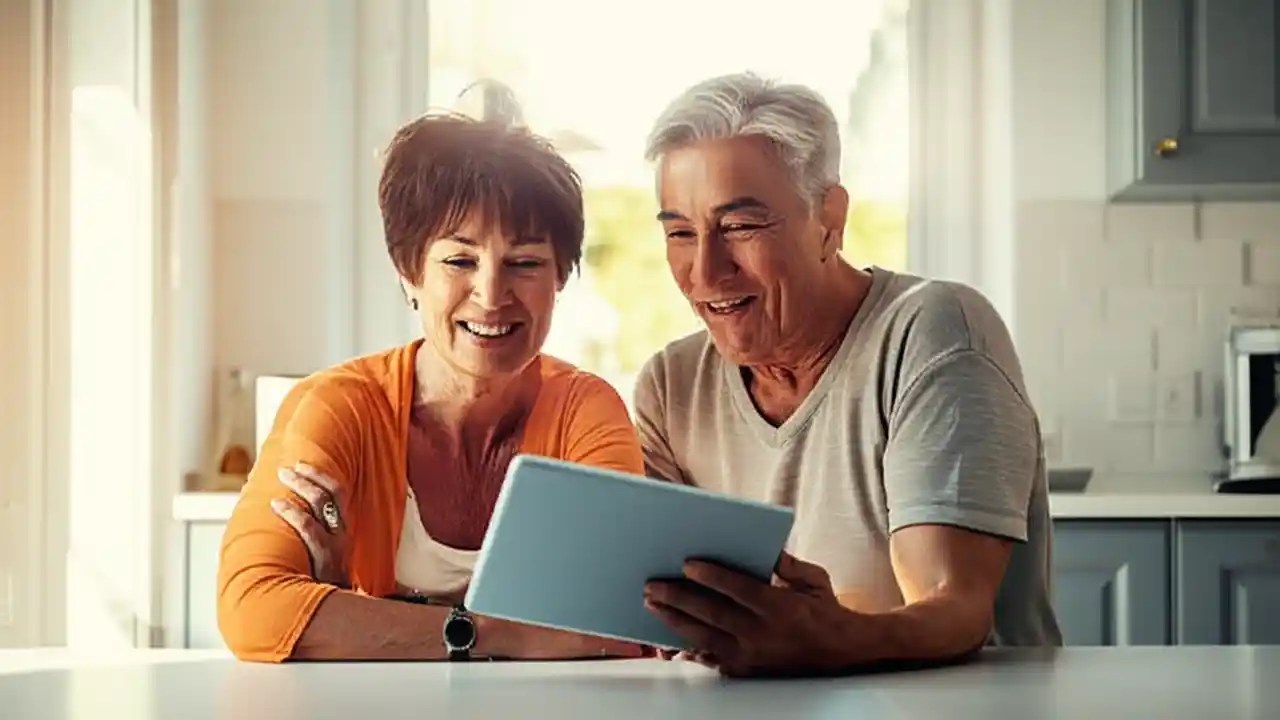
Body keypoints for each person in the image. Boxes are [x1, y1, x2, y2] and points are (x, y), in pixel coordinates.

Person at [634, 73, 1063, 678]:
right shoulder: (671, 385)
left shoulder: (932, 330)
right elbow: (653, 612)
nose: (706, 270)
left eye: (740, 227)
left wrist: (826, 636)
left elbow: (954, 608)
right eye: (680, 232)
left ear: (829, 220)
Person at [216, 110, 649, 663]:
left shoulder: (584, 410)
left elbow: (625, 627)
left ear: (560, 277)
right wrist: (502, 634)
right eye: (459, 259)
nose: (492, 295)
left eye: (524, 262)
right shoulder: (340, 406)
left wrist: (354, 609)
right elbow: (254, 610)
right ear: (409, 272)